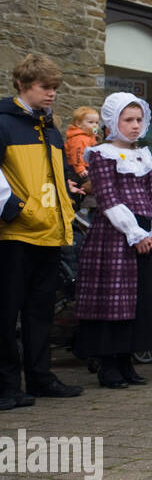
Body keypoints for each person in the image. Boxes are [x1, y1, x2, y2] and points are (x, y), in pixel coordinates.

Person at [0, 53, 83, 408]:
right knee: (6, 313)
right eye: (44, 87)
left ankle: (39, 376)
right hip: (14, 234)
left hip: (49, 231)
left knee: (39, 312)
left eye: (54, 88)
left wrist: (71, 189)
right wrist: (15, 208)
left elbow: (56, 174)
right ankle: (6, 385)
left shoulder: (49, 126)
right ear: (22, 84)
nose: (51, 94)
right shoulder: (4, 122)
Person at [74, 94, 152, 388]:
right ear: (114, 121)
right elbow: (107, 197)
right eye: (128, 120)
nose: (135, 126)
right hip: (115, 233)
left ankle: (126, 361)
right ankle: (108, 364)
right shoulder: (101, 155)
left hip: (144, 231)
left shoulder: (145, 156)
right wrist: (134, 234)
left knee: (138, 300)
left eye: (139, 120)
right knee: (114, 301)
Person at [63, 106, 100, 182]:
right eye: (91, 122)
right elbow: (76, 154)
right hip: (76, 168)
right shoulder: (79, 139)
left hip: (85, 165)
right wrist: (80, 168)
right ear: (78, 124)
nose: (95, 125)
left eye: (97, 122)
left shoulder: (88, 136)